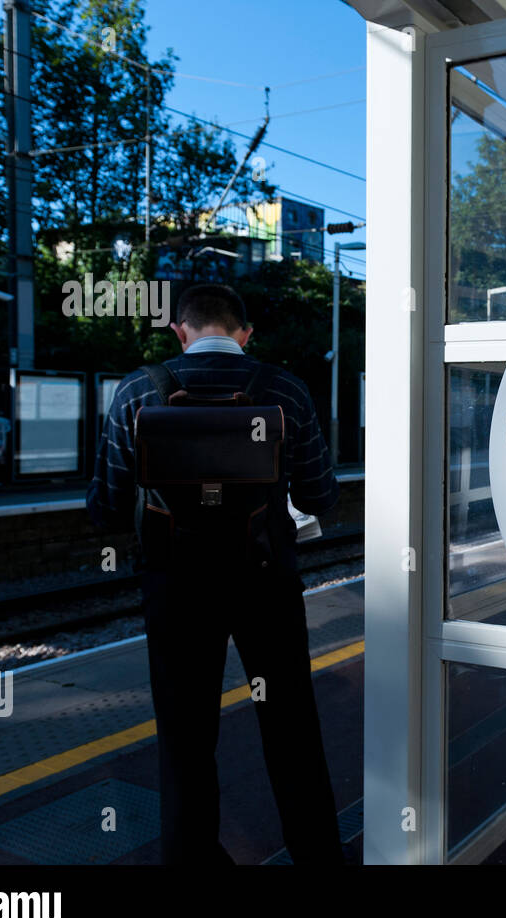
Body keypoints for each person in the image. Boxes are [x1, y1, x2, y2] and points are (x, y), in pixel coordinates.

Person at [87, 283, 344, 865]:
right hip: (265, 583)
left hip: (175, 586)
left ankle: (190, 858)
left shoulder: (138, 390)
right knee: (291, 731)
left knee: (184, 737)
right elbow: (320, 495)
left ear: (180, 330)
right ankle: (318, 857)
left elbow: (104, 507)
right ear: (245, 334)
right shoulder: (285, 389)